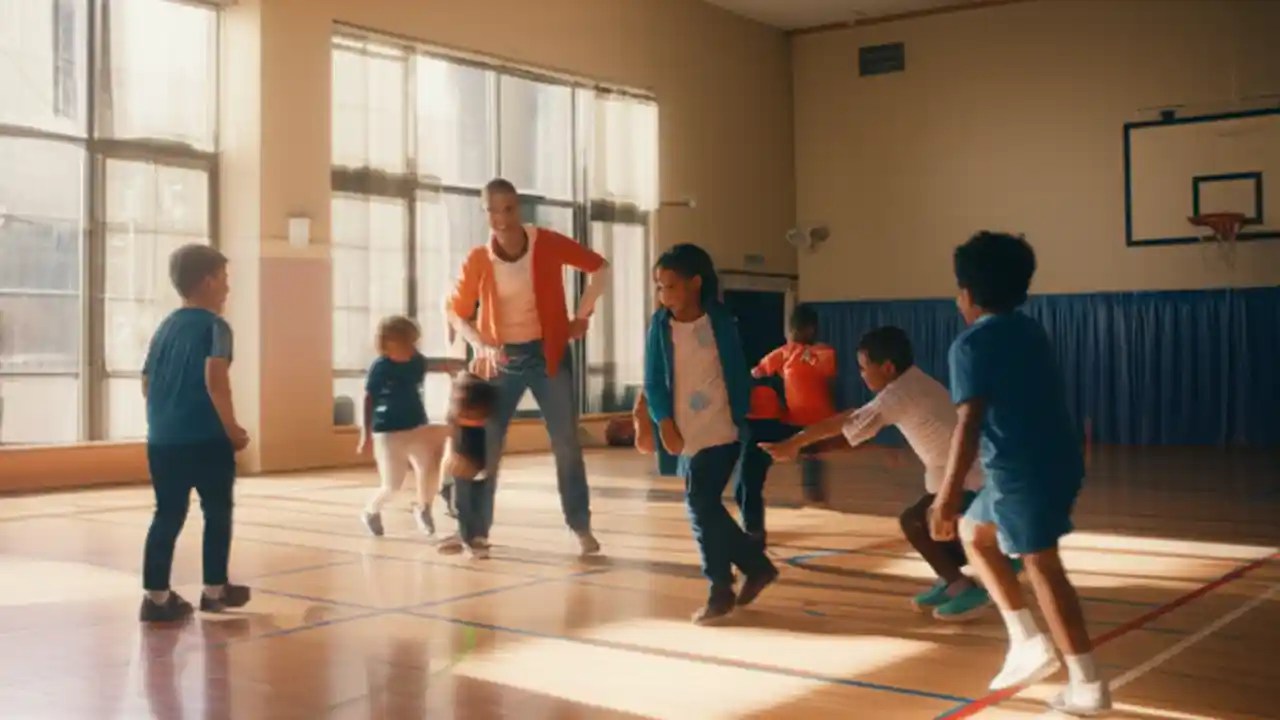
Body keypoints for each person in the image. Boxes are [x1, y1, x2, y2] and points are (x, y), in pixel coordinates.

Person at [930, 231, 1109, 714]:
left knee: (1041, 565)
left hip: (1020, 471)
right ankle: (1026, 640)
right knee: (976, 533)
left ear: (966, 293)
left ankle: (1088, 685)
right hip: (1055, 459)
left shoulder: (970, 345)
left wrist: (946, 495)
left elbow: (967, 424)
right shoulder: (1030, 330)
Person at [761, 326, 1003, 620]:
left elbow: (848, 432)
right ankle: (958, 575)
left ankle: (972, 579)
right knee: (927, 526)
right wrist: (797, 443)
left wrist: (797, 446)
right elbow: (850, 417)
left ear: (887, 367)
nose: (862, 375)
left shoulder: (899, 396)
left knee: (915, 522)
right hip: (966, 477)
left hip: (971, 482)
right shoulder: (911, 383)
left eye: (864, 368)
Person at [445, 178, 609, 556]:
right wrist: (481, 344)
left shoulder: (547, 243)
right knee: (487, 445)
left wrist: (582, 315)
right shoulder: (478, 259)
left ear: (518, 208)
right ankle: (476, 532)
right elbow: (458, 313)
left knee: (567, 443)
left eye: (508, 209)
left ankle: (579, 525)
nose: (501, 219)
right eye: (492, 210)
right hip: (501, 360)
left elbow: (601, 268)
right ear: (484, 212)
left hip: (547, 355)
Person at [644, 243, 779, 624]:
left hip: (722, 428)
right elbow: (654, 380)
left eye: (670, 286)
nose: (663, 294)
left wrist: (743, 419)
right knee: (702, 505)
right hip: (684, 433)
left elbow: (737, 373)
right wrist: (663, 422)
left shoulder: (721, 321)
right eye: (659, 287)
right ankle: (753, 567)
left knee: (699, 503)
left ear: (695, 284)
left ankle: (722, 587)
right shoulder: (660, 325)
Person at [139, 244, 249, 622]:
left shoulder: (165, 327)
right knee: (217, 511)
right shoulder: (216, 328)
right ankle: (214, 589)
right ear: (207, 281)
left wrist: (164, 419)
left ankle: (156, 596)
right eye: (224, 279)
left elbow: (147, 383)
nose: (227, 288)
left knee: (167, 513)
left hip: (163, 440)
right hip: (205, 438)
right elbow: (216, 380)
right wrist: (232, 429)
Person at [357, 315, 462, 537]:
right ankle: (371, 510)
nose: (412, 348)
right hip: (388, 433)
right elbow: (368, 399)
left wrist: (450, 367)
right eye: (406, 343)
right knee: (392, 484)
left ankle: (424, 507)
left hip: (416, 428)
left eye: (414, 343)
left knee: (428, 468)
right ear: (388, 344)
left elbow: (432, 364)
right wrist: (365, 435)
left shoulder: (416, 361)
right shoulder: (380, 368)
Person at [750, 304, 837, 505]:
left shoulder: (822, 352)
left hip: (818, 418)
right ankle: (810, 493)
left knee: (812, 454)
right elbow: (759, 370)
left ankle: (814, 494)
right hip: (795, 417)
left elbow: (829, 371)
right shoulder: (784, 353)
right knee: (804, 453)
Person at [439, 372, 500, 558]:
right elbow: (450, 438)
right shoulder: (456, 420)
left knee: (472, 503)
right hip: (461, 469)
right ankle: (468, 536)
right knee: (460, 502)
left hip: (475, 468)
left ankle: (473, 538)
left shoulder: (487, 427)